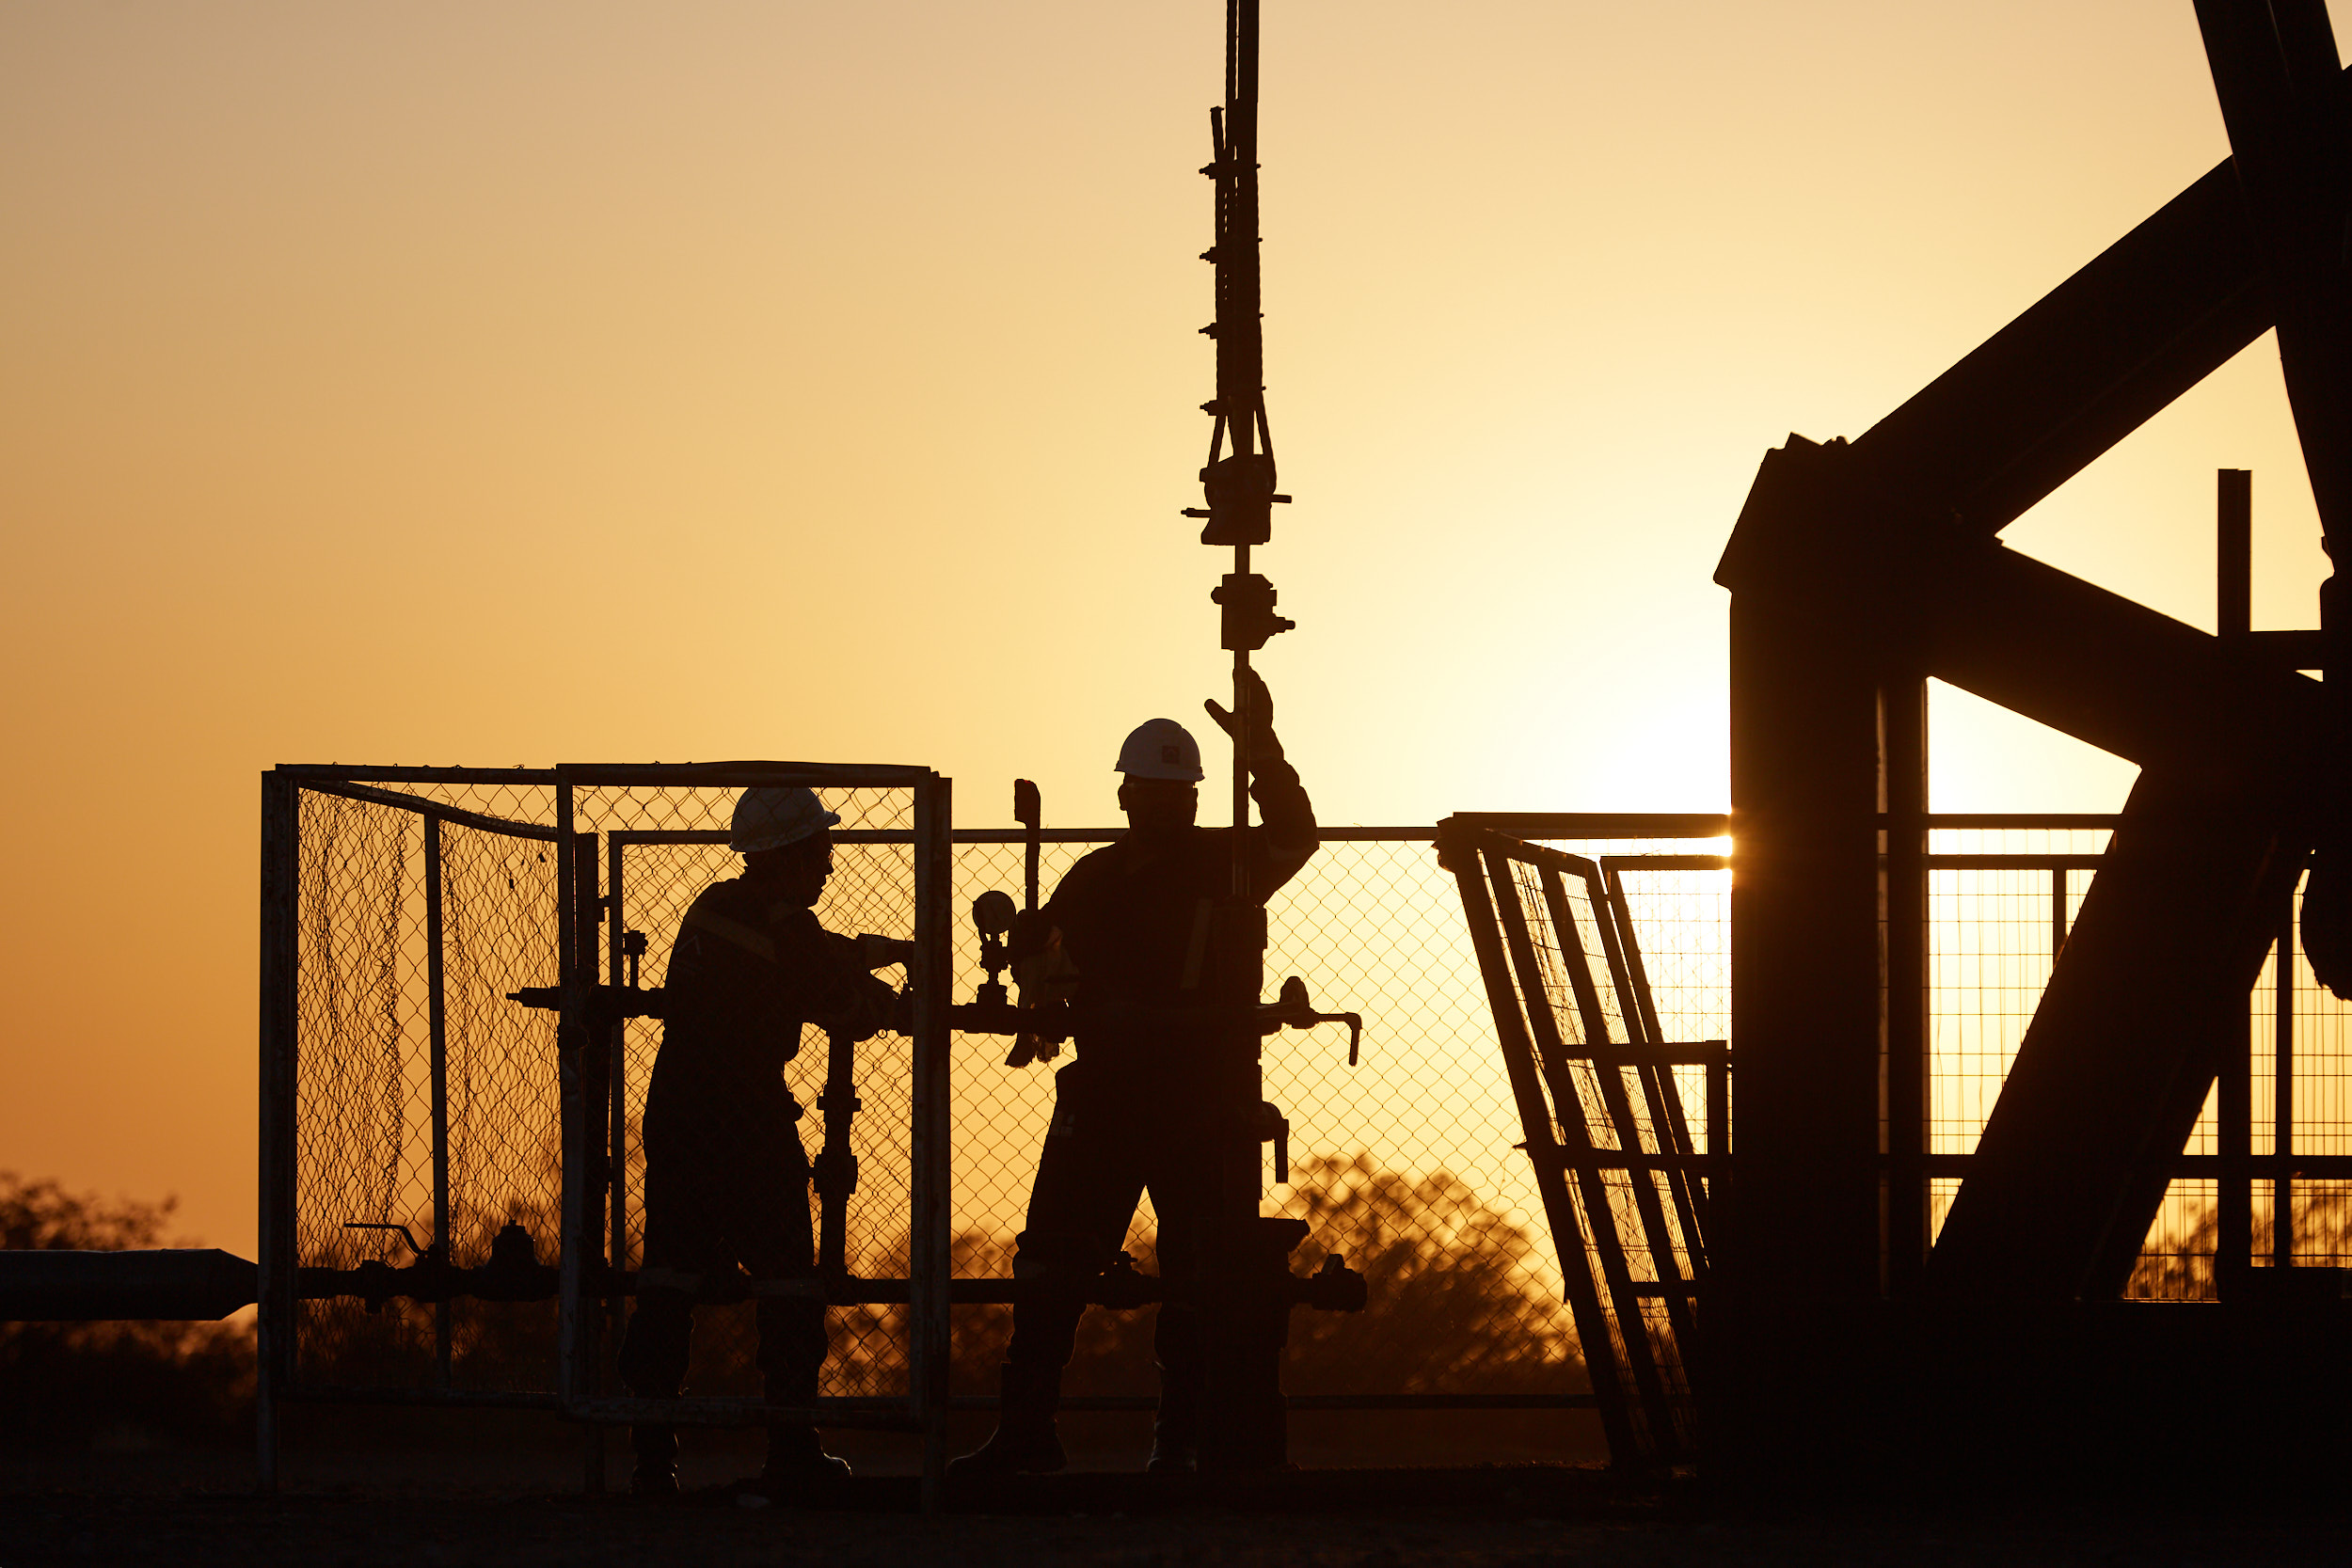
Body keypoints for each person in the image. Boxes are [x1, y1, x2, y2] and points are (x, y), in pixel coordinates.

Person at [951, 670, 1317, 1477]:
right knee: (1052, 1260)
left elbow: (1294, 836)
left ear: (1193, 798)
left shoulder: (1227, 861)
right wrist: (1034, 964)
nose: (1165, 805)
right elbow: (1045, 964)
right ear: (1125, 797)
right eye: (1152, 791)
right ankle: (1026, 1434)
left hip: (1200, 1095)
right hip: (1110, 1091)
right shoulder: (1095, 877)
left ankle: (1180, 1441)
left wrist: (1263, 751)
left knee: (1198, 1273)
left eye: (1178, 792)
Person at [617, 785, 900, 1499]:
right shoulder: (776, 923)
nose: (829, 866)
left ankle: (651, 1457)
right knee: (787, 1280)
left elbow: (813, 955)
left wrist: (881, 953)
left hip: (680, 1111)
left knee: (670, 1277)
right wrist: (884, 997)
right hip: (744, 1117)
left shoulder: (719, 907)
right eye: (821, 850)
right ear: (789, 855)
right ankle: (792, 1446)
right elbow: (838, 998)